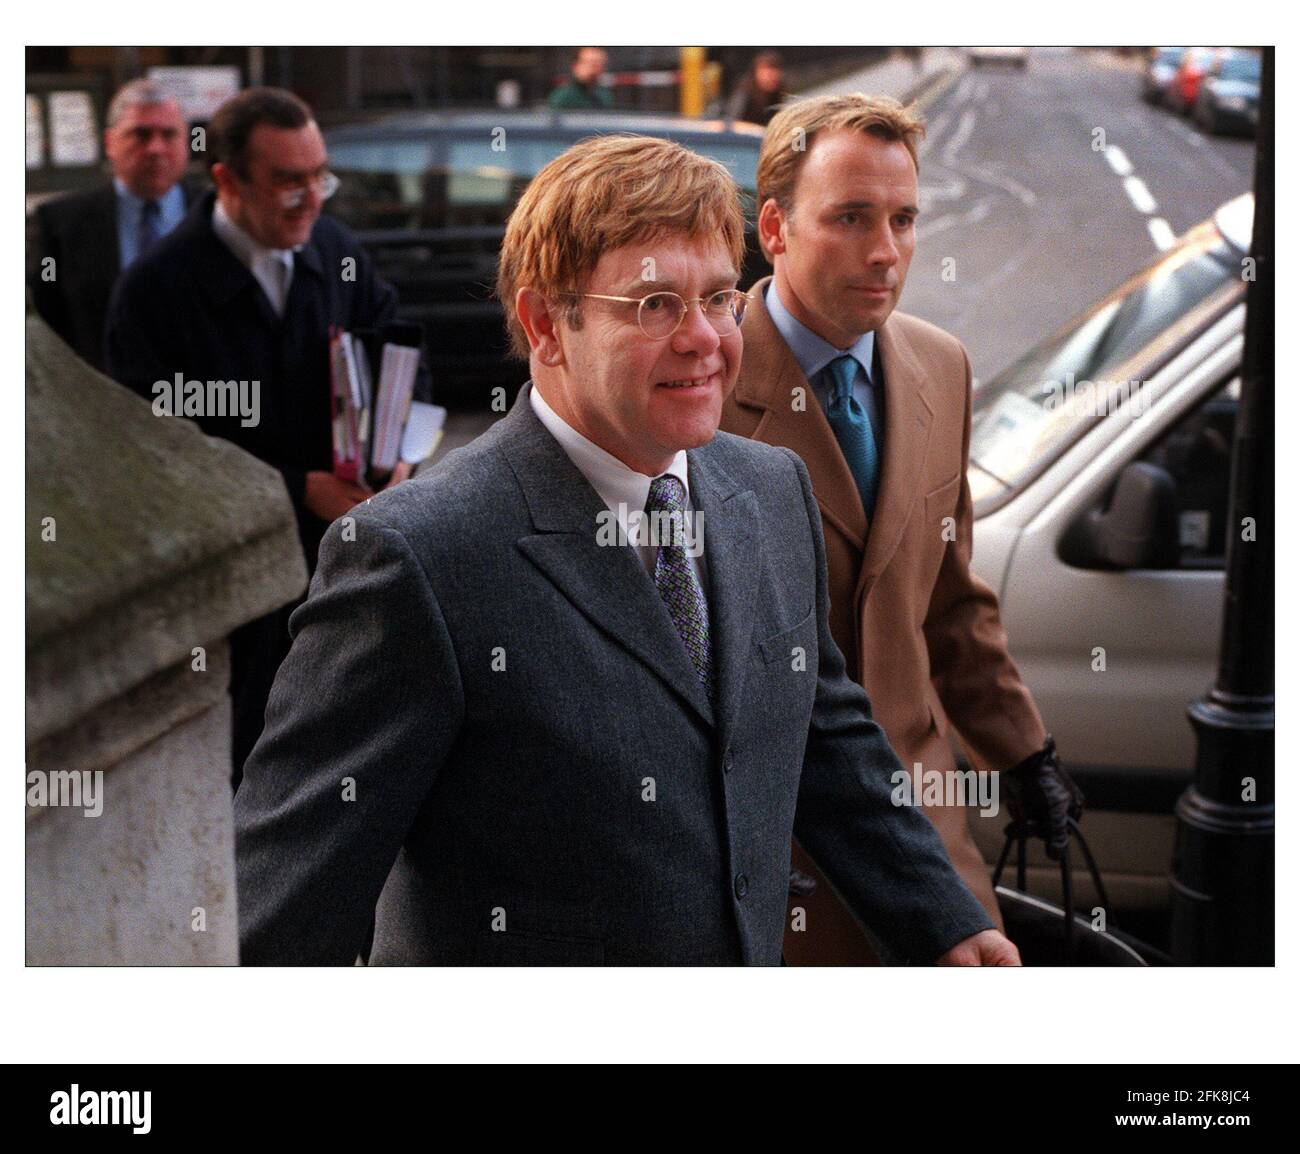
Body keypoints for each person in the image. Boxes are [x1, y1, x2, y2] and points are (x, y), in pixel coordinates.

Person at [232, 133, 1020, 967]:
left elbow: (824, 736)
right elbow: (284, 908)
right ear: (546, 324)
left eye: (719, 298)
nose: (703, 339)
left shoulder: (772, 492)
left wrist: (945, 919)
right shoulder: (415, 558)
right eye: (654, 305)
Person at [719, 93, 1082, 964]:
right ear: (774, 227)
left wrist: (1024, 752)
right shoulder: (705, 380)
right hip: (779, 850)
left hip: (929, 829)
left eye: (904, 218)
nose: (886, 252)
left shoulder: (939, 364)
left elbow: (951, 598)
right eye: (849, 218)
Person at [104, 86, 429, 788]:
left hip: (342, 568)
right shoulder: (156, 289)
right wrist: (294, 486)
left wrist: (403, 450)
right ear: (226, 178)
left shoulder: (337, 251)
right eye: (289, 181)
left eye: (320, 177)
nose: (312, 198)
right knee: (251, 779)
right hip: (233, 595)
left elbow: (405, 359)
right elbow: (148, 449)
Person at [29, 79, 192, 371]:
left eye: (169, 135)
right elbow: (42, 323)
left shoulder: (218, 214)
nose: (156, 148)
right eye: (141, 135)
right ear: (109, 143)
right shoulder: (60, 227)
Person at [726, 50, 789, 126]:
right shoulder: (744, 95)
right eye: (768, 74)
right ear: (756, 73)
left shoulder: (777, 96)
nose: (773, 78)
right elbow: (732, 124)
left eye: (776, 73)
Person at [547, 47, 613, 110]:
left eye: (599, 63)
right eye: (588, 63)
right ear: (575, 66)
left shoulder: (604, 96)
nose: (593, 68)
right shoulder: (563, 97)